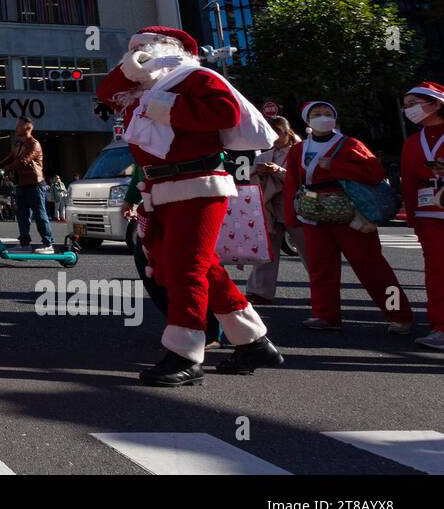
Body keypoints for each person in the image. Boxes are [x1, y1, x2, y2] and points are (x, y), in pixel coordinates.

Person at [96, 25, 282, 386]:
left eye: (146, 48)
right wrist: (132, 68)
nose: (138, 53)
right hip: (160, 186)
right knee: (194, 266)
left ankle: (185, 353)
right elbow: (106, 93)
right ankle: (253, 342)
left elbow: (225, 114)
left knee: (186, 268)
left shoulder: (197, 77)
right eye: (133, 49)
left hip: (197, 183)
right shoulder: (140, 88)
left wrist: (167, 106)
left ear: (172, 50)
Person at [282, 101, 413, 335]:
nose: (322, 117)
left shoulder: (350, 144)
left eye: (327, 113)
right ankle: (325, 315)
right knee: (320, 268)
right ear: (307, 120)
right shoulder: (299, 149)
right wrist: (292, 217)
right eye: (316, 114)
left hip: (351, 213)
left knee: (373, 267)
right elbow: (293, 182)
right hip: (314, 212)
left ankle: (399, 314)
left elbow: (375, 173)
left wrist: (336, 166)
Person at [399, 82, 444, 350]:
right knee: (437, 272)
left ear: (436, 104)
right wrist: (414, 219)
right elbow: (409, 182)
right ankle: (440, 328)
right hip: (429, 214)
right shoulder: (414, 141)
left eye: (413, 104)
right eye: (406, 106)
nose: (408, 110)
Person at [244, 115, 304, 304]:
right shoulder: (262, 156)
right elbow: (251, 181)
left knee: (309, 252)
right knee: (266, 252)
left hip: (296, 207)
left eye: (279, 132)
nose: (276, 137)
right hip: (269, 209)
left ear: (288, 133)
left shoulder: (301, 152)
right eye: (272, 133)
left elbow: (302, 179)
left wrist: (278, 171)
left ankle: (322, 293)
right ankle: (259, 291)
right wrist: (258, 173)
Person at [0, 118, 54, 252]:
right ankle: (24, 244)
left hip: (35, 184)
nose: (16, 127)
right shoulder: (19, 144)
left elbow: (23, 161)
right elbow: (11, 157)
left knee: (40, 215)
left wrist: (5, 169)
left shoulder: (34, 144)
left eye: (19, 125)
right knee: (22, 216)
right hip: (22, 184)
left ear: (27, 128)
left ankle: (48, 244)